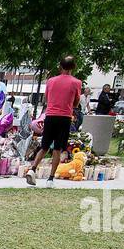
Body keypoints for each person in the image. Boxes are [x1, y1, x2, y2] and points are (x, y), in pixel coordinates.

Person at [24, 56, 81, 187]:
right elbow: (76, 102)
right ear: (73, 67)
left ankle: (32, 170)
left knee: (44, 146)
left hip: (50, 116)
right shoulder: (76, 82)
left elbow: (47, 98)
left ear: (60, 66)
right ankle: (50, 179)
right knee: (57, 148)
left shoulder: (51, 81)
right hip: (65, 117)